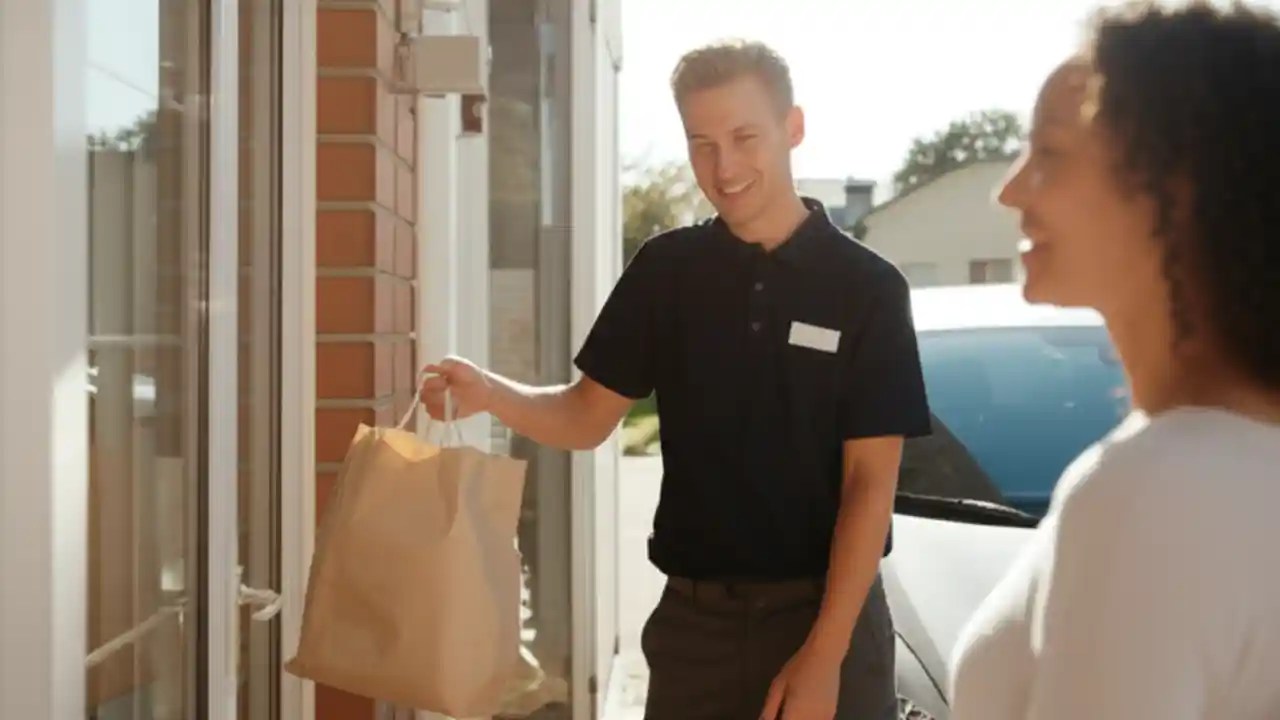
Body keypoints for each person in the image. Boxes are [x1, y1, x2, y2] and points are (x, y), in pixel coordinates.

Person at [421, 39, 931, 720]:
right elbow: (586, 415)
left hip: (826, 620)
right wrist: (490, 392)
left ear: (793, 128)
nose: (723, 167)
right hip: (695, 633)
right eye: (701, 144)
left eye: (744, 136)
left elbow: (871, 484)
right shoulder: (667, 272)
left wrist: (823, 655)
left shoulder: (868, 289)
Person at [949, 3, 1280, 718]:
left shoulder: (1158, 487)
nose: (1008, 191)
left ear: (1179, 187)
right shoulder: (1234, 464)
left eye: (1051, 154)